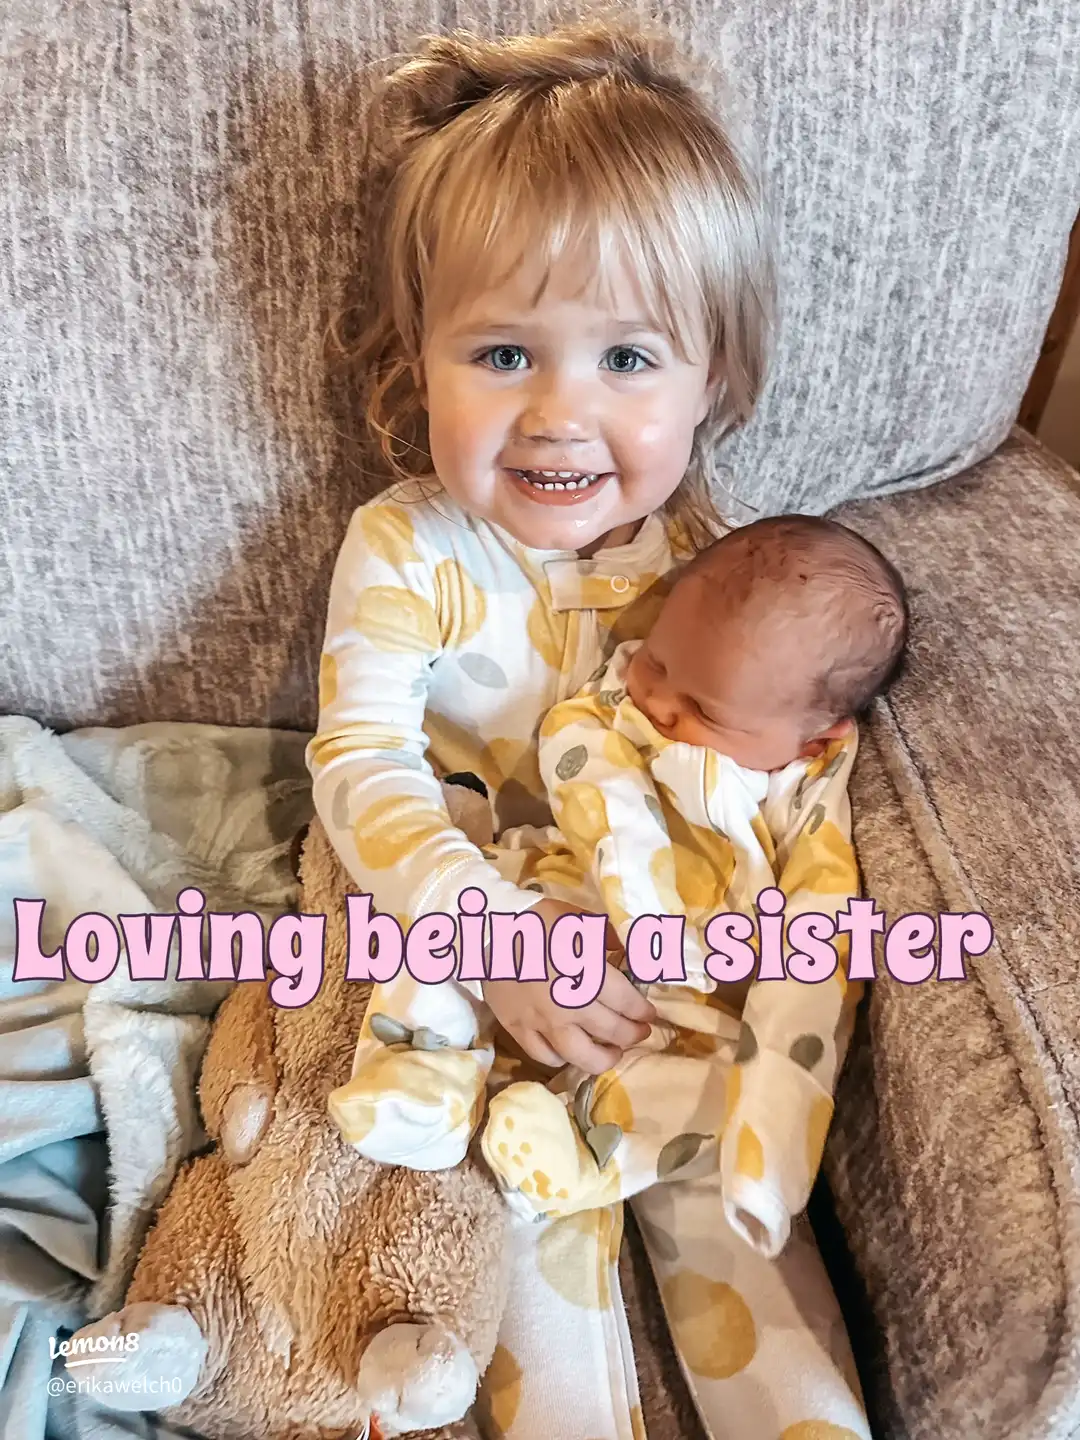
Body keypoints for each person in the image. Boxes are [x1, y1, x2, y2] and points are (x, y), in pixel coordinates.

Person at [309, 16, 870, 1438]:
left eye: (629, 357)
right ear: (413, 360)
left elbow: (782, 777)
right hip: (457, 939)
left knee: (737, 1226)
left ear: (714, 383)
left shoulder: (717, 558)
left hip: (665, 970)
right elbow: (361, 763)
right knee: (535, 1270)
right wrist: (490, 934)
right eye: (502, 351)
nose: (562, 412)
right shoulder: (404, 545)